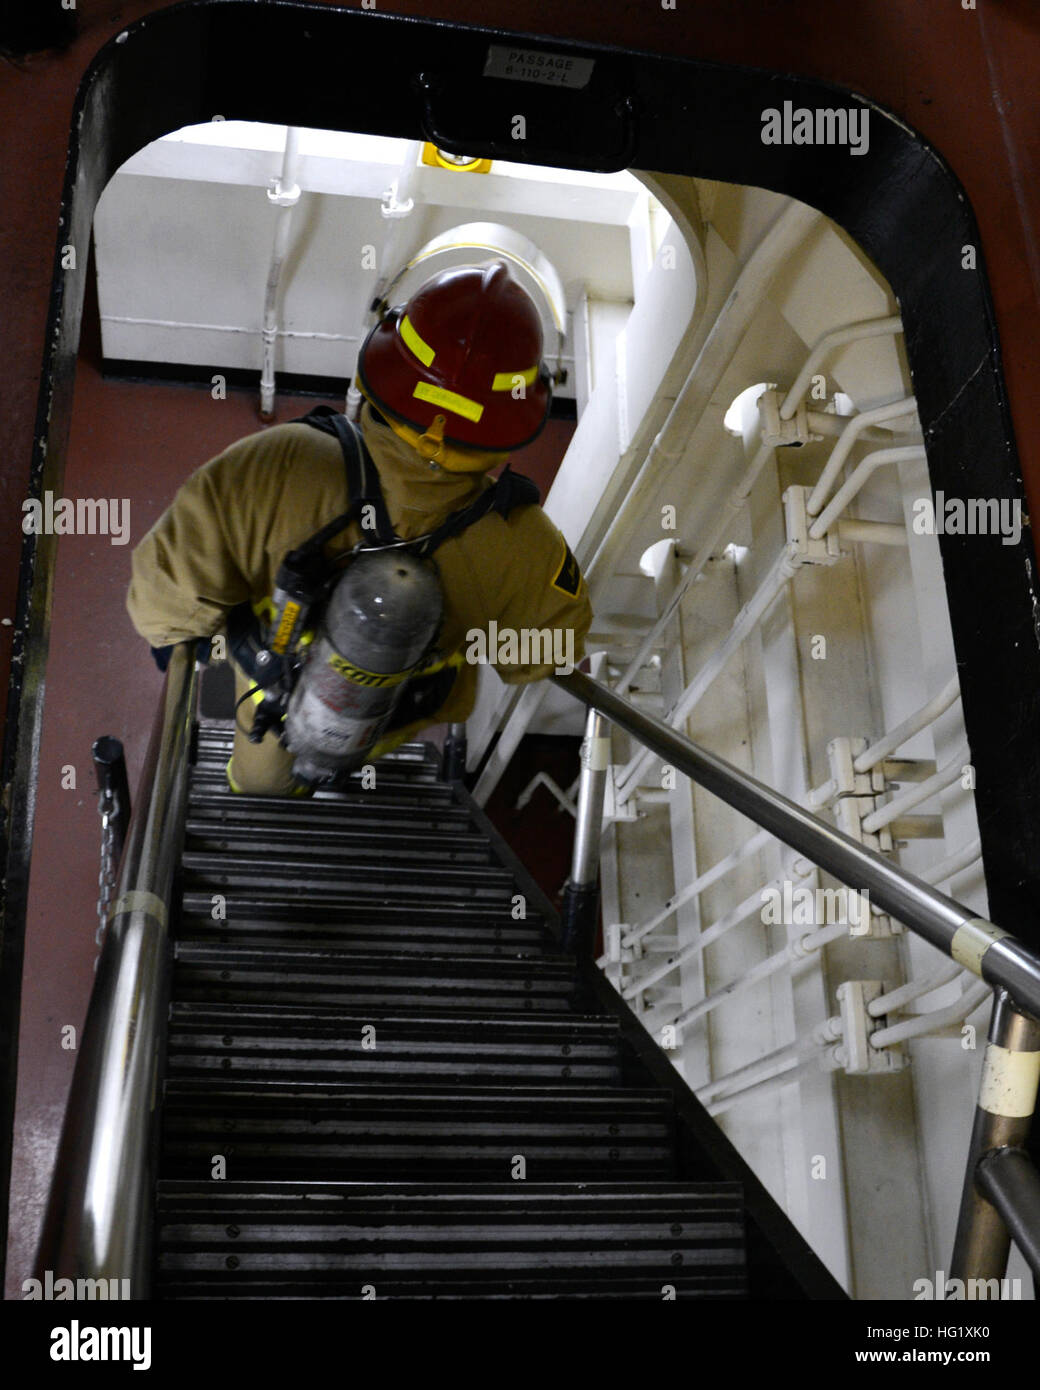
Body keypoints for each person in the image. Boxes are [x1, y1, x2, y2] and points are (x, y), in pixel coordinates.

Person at [126, 260, 592, 795]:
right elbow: (542, 655)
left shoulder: (270, 463)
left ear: (382, 368)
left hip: (275, 695)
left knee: (260, 788)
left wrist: (180, 643)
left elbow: (164, 600)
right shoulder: (529, 544)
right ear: (514, 421)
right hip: (407, 711)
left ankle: (270, 789)